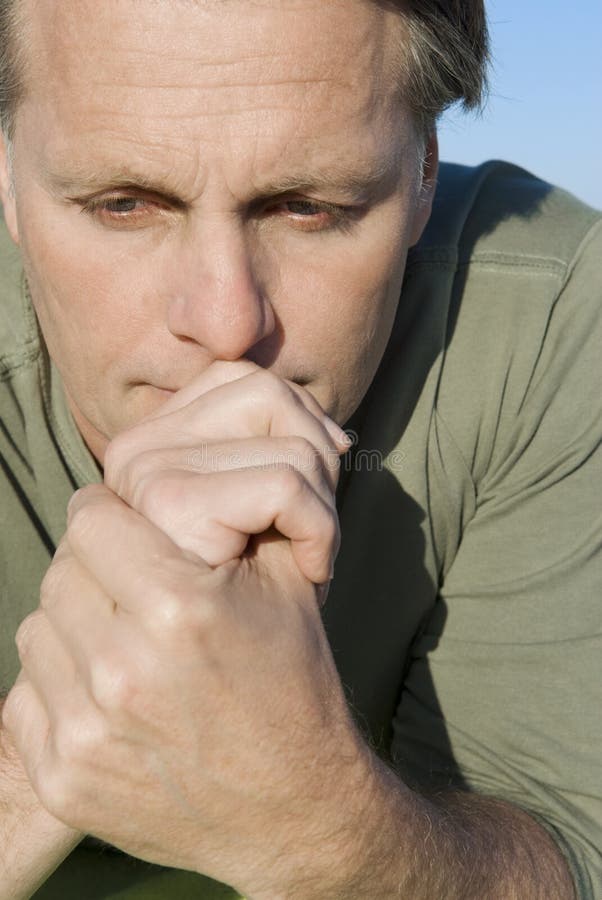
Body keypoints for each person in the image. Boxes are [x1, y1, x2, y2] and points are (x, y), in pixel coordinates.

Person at [0, 0, 599, 897]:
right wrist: (32, 769)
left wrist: (319, 823)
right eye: (122, 204)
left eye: (308, 208)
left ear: (425, 172)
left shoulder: (553, 319)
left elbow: (571, 846)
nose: (227, 323)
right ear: (6, 173)